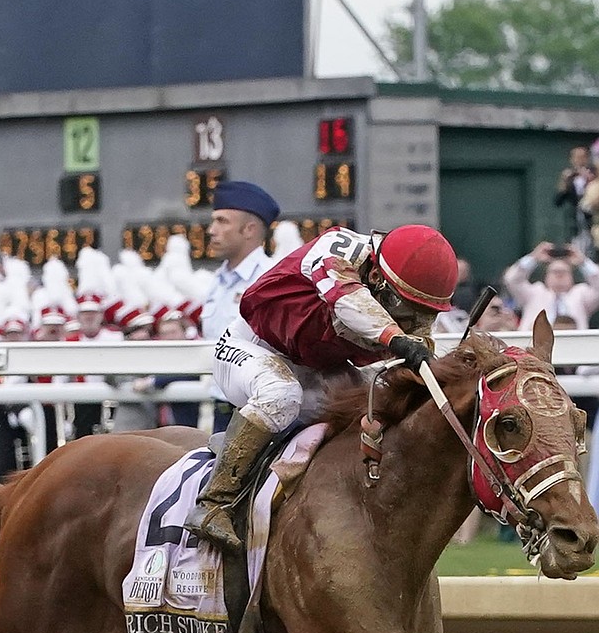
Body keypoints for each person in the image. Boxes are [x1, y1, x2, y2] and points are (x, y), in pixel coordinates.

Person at [183, 223, 458, 550]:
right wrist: (397, 340)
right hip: (253, 346)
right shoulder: (337, 250)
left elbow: (418, 340)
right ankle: (215, 503)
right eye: (407, 308)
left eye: (423, 312)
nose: (413, 319)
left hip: (314, 365)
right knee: (280, 394)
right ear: (376, 279)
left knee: (373, 399)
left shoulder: (401, 289)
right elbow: (348, 301)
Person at [199, 181, 281, 433]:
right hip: (221, 404)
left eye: (222, 221)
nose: (211, 230)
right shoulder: (217, 282)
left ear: (249, 229)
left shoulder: (272, 279)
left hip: (258, 409)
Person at [501, 241, 599, 331]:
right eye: (554, 272)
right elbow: (511, 279)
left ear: (572, 276)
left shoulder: (581, 294)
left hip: (575, 345)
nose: (559, 275)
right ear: (546, 276)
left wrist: (583, 262)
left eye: (564, 272)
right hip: (534, 347)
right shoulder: (534, 293)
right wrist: (533, 258)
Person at [556, 144, 595, 252]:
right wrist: (563, 183)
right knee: (577, 248)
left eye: (582, 157)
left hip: (592, 218)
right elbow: (558, 201)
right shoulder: (569, 177)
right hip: (576, 221)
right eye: (576, 157)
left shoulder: (594, 175)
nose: (579, 161)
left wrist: (589, 180)